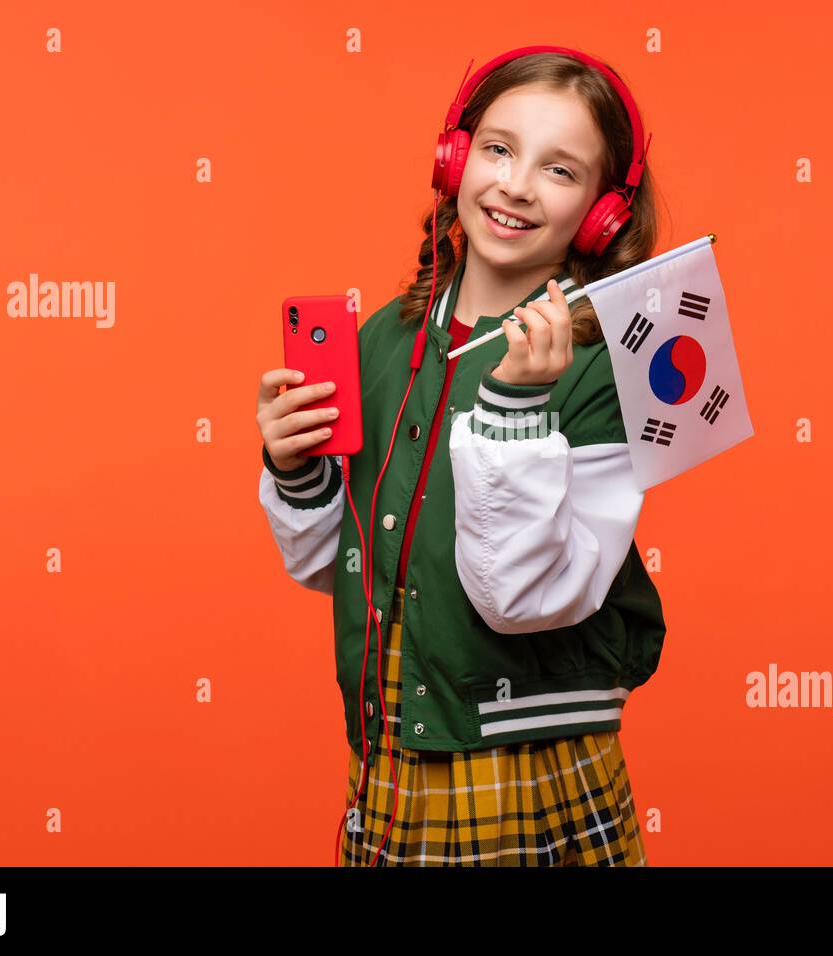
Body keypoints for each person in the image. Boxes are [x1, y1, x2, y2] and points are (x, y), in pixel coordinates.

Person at [255, 47, 666, 866]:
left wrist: (514, 408)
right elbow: (335, 563)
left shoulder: (604, 366)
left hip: (525, 760)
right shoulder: (385, 338)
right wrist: (295, 467)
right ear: (455, 158)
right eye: (498, 149)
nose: (514, 185)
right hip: (391, 746)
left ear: (601, 213)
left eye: (559, 170)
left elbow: (523, 599)